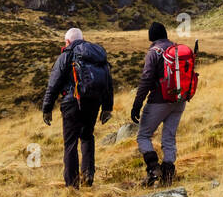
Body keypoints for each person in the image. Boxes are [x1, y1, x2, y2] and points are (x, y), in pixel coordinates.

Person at [41, 27, 114, 188]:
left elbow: (53, 84)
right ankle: (88, 175)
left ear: (67, 41)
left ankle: (72, 186)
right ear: (82, 38)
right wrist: (107, 108)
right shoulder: (97, 55)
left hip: (72, 102)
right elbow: (108, 82)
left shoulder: (67, 55)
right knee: (87, 136)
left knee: (70, 143)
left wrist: (47, 108)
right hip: (94, 101)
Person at [131, 22, 186, 187]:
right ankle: (168, 176)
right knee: (169, 138)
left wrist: (137, 103)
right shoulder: (176, 49)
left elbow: (146, 79)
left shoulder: (154, 52)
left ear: (151, 37)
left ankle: (154, 170)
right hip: (179, 100)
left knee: (143, 136)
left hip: (159, 101)